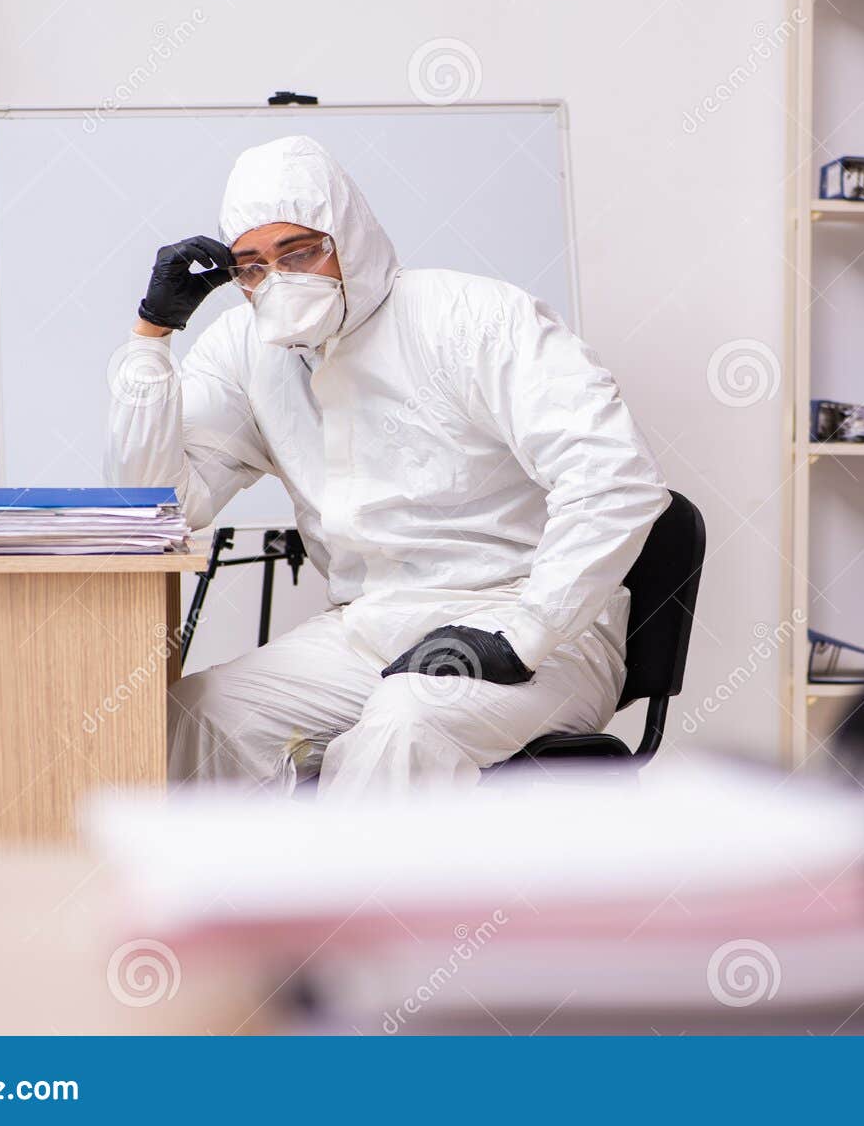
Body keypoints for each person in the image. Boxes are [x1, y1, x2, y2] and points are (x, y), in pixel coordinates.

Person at [106, 135, 669, 796]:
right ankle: (236, 899)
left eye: (299, 252)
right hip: (371, 630)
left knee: (403, 725)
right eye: (253, 266)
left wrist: (524, 633)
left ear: (349, 237)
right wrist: (151, 337)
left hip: (537, 632)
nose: (278, 281)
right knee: (202, 716)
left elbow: (615, 477)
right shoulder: (245, 348)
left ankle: (362, 904)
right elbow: (159, 508)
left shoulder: (473, 319)